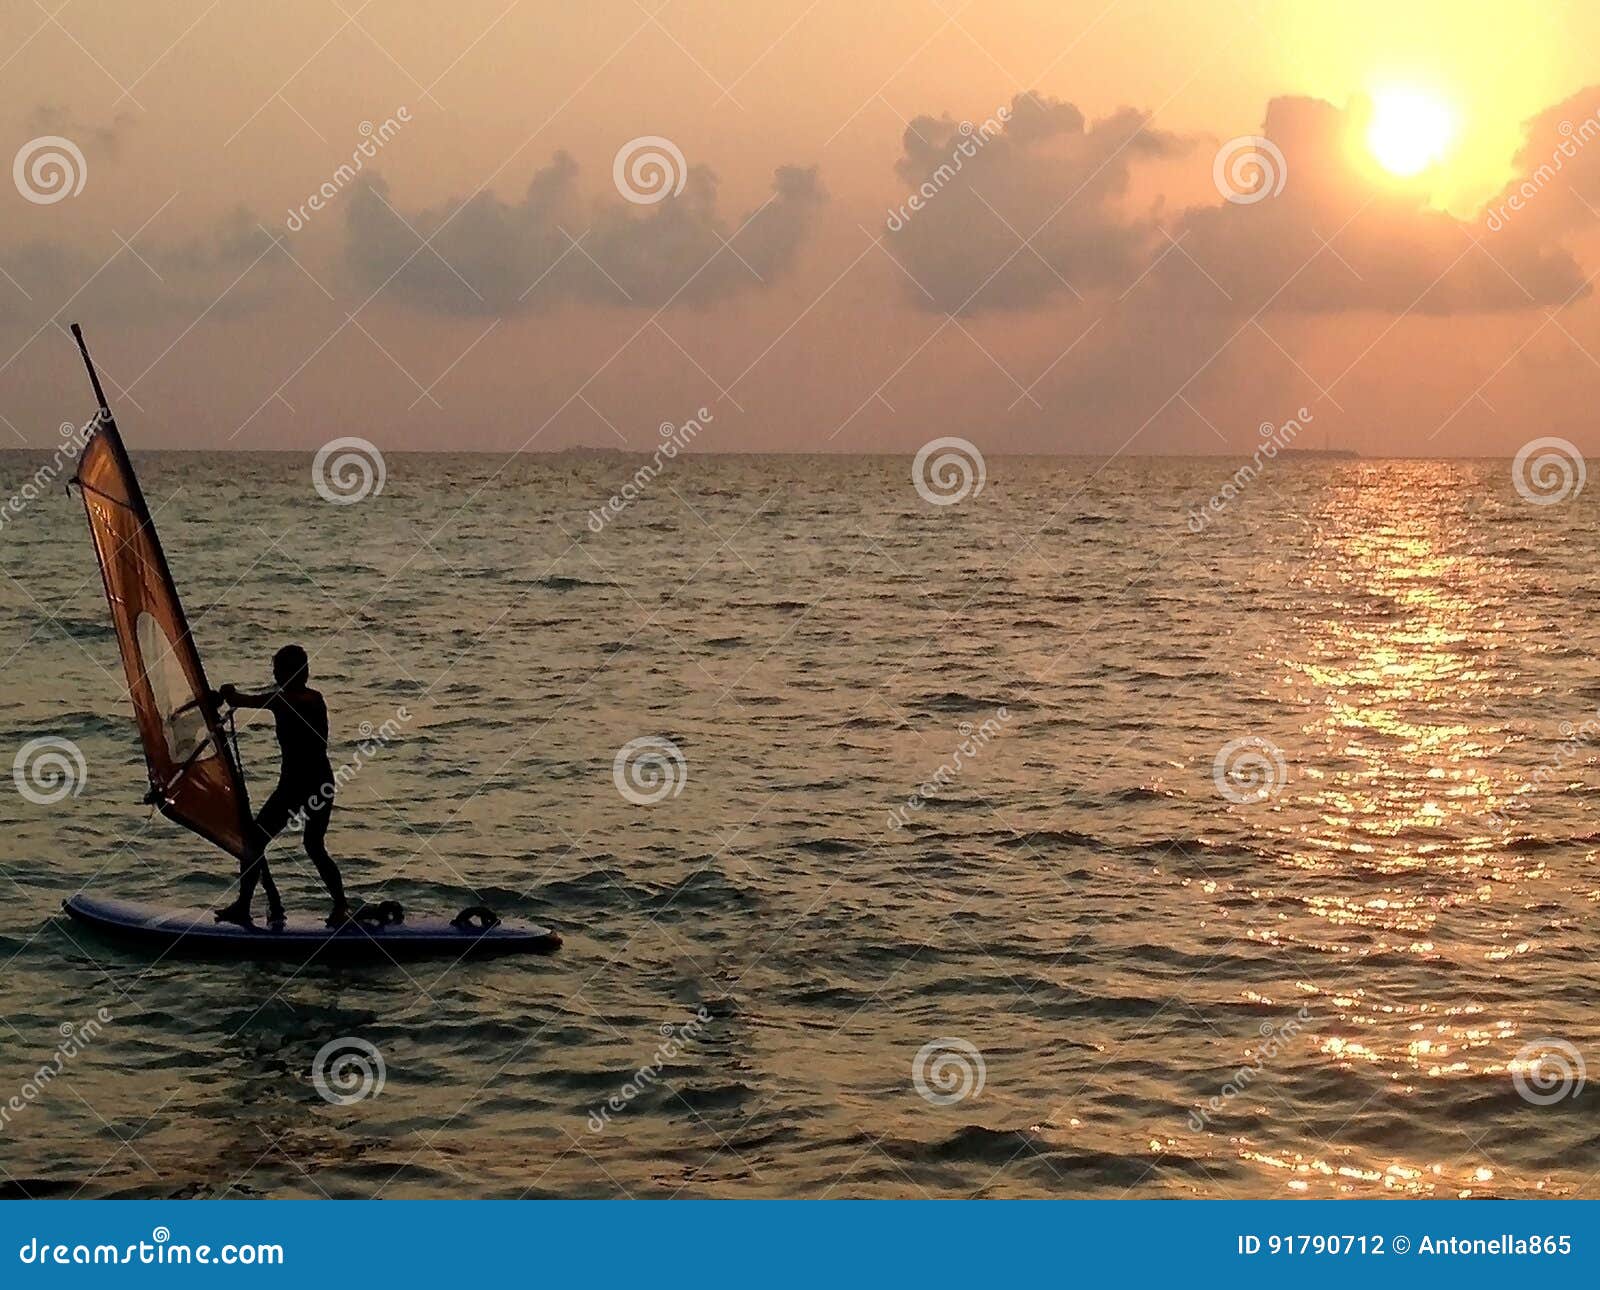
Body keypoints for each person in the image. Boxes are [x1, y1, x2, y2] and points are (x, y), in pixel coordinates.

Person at [212, 644, 350, 928]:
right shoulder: (314, 697)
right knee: (311, 846)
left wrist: (227, 693)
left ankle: (338, 906)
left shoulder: (290, 701)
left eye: (277, 670)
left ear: (291, 673)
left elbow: (244, 699)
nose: (275, 675)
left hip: (301, 786)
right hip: (320, 782)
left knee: (260, 842)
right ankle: (337, 905)